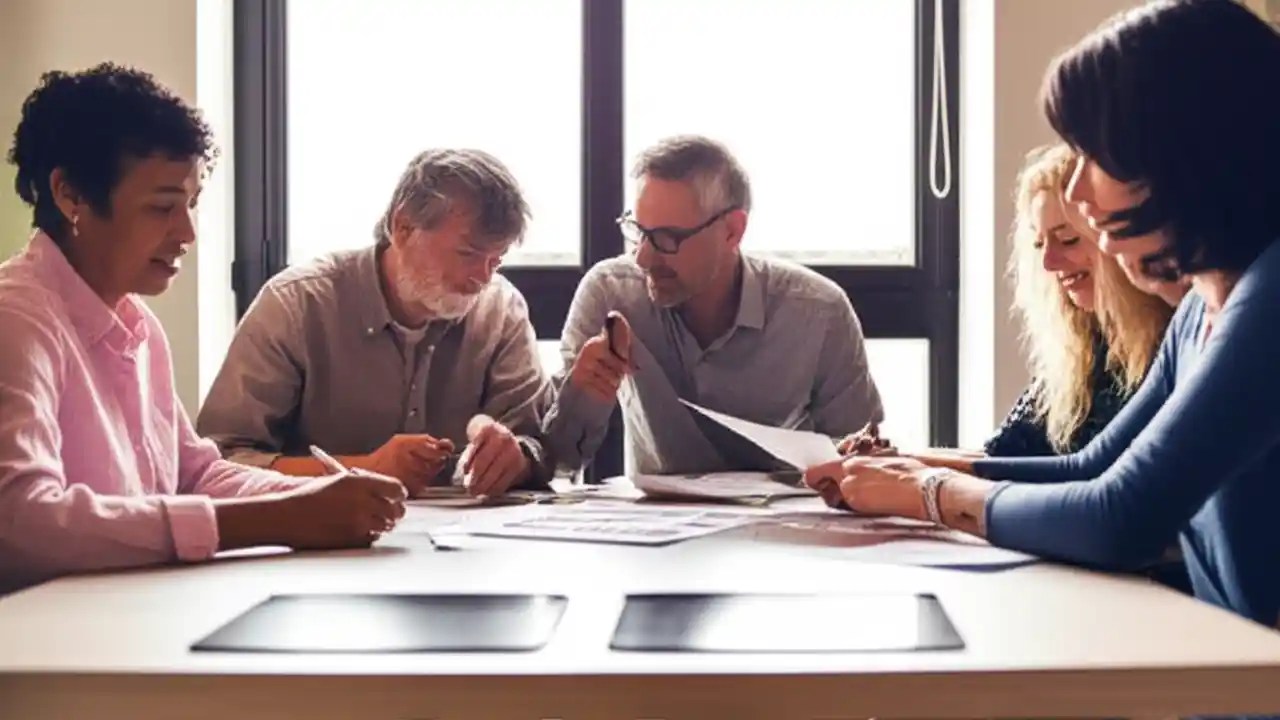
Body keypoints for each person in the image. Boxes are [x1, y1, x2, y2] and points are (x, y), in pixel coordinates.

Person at [808, 0, 1280, 631]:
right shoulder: (1203, 307)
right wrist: (910, 467)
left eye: (1095, 156)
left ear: (1180, 154)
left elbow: (1122, 517)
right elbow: (1091, 468)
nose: (1081, 194)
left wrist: (923, 494)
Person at [0, 63, 406, 592]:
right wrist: (280, 520)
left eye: (191, 204)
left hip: (116, 618)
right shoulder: (17, 320)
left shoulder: (137, 324)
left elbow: (195, 475)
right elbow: (20, 524)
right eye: (163, 207)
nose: (188, 232)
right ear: (70, 195)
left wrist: (321, 498)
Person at [198, 149, 554, 498]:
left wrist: (518, 458)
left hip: (470, 546)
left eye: (497, 260)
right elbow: (222, 462)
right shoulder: (297, 304)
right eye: (468, 254)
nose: (482, 278)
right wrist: (364, 468)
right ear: (402, 228)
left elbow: (542, 446)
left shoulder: (501, 310)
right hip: (320, 544)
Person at [544, 134, 883, 475]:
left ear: (732, 232)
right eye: (638, 231)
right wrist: (582, 394)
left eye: (667, 238)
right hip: (659, 521)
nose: (644, 258)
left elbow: (864, 465)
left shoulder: (819, 312)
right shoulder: (610, 293)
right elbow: (557, 464)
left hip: (784, 520)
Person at [970, 144, 1173, 458]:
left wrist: (920, 482)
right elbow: (1000, 455)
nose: (1049, 263)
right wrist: (898, 465)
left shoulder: (1170, 343)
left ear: (1112, 236)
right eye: (1040, 244)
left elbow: (1094, 476)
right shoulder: (1088, 345)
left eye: (1068, 239)